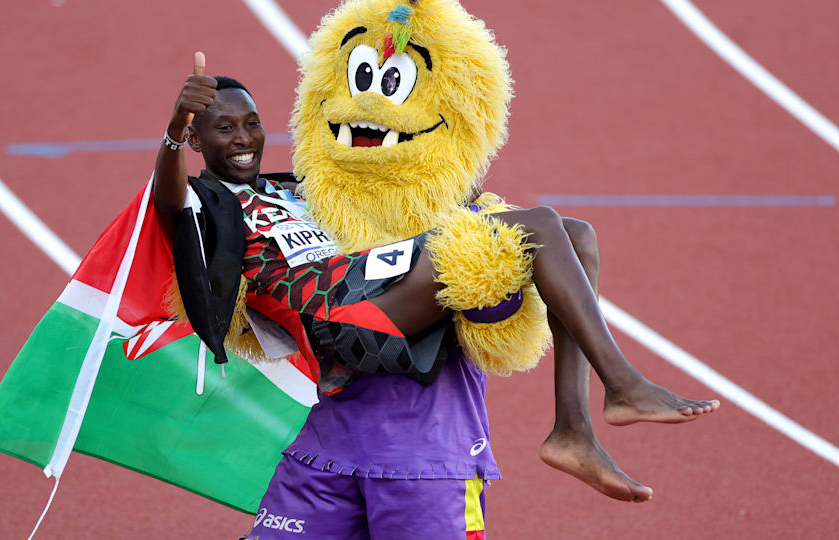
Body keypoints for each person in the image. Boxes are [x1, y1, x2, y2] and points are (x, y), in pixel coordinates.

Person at [154, 51, 718, 539]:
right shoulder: (209, 205)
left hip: (376, 291)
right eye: (223, 129)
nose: (243, 139)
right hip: (337, 311)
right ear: (198, 139)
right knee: (542, 224)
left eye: (252, 124)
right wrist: (176, 130)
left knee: (576, 234)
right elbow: (169, 203)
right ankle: (622, 385)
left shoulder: (293, 189)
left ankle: (574, 428)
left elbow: (380, 186)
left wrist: (441, 168)